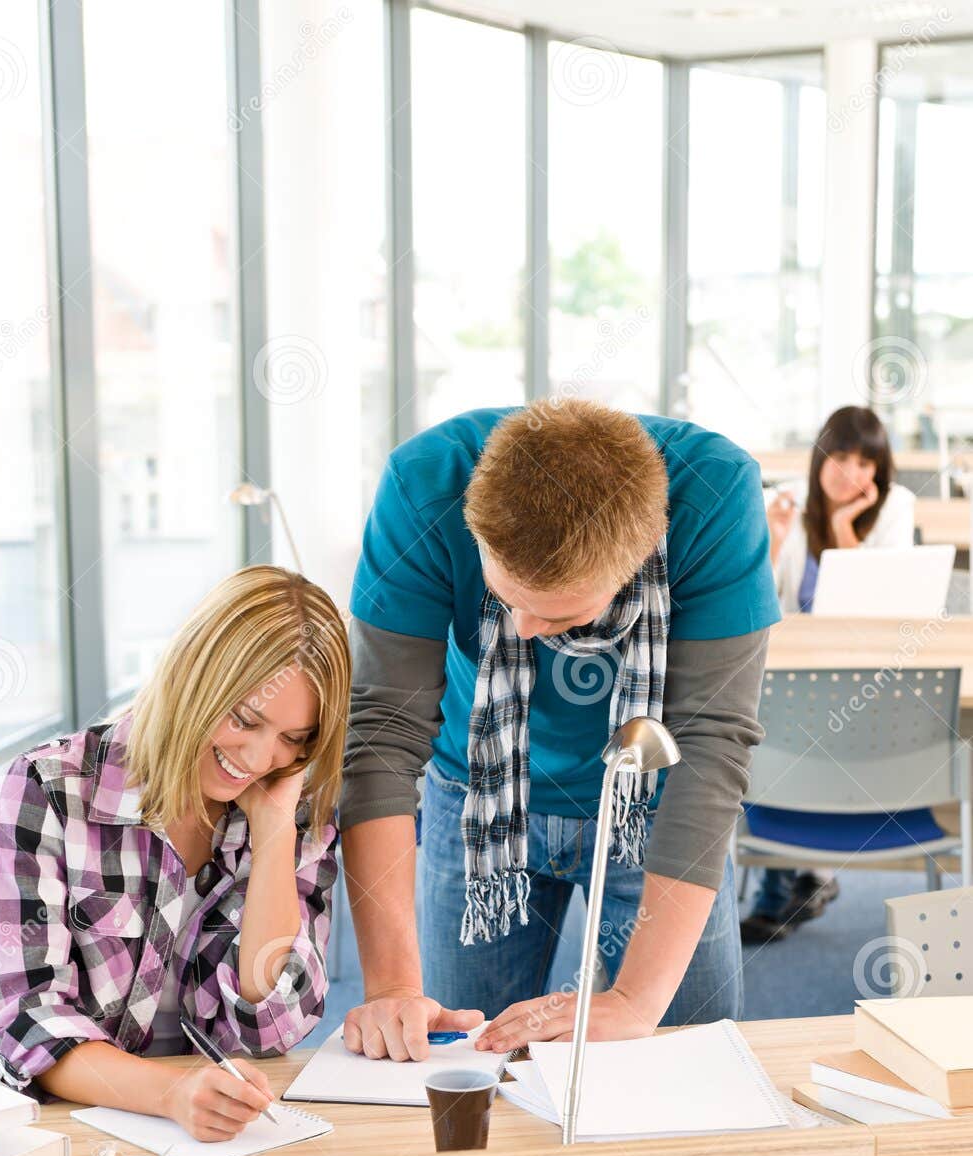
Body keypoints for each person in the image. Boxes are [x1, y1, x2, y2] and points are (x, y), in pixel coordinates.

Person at [339, 398, 780, 1061]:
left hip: (652, 808)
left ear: (633, 565)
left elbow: (711, 744)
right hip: (478, 801)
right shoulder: (421, 483)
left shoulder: (718, 492)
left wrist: (633, 1000)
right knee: (468, 1059)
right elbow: (381, 737)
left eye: (558, 615)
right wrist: (393, 986)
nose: (520, 630)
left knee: (686, 1055)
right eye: (507, 598)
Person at [0, 566, 350, 1141]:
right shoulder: (47, 787)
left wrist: (275, 833)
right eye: (246, 720)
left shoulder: (289, 802)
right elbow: (26, 1020)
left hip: (221, 1136)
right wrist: (174, 1094)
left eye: (293, 738)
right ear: (193, 678)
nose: (259, 757)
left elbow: (267, 1026)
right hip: (67, 1131)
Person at [741, 405, 916, 943]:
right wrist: (770, 538)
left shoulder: (895, 508)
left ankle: (802, 878)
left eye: (867, 463)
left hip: (870, 678)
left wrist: (842, 529)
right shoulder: (786, 503)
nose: (853, 474)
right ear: (821, 457)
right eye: (841, 458)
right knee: (761, 729)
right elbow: (756, 606)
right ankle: (792, 883)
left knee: (787, 731)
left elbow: (874, 611)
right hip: (795, 678)